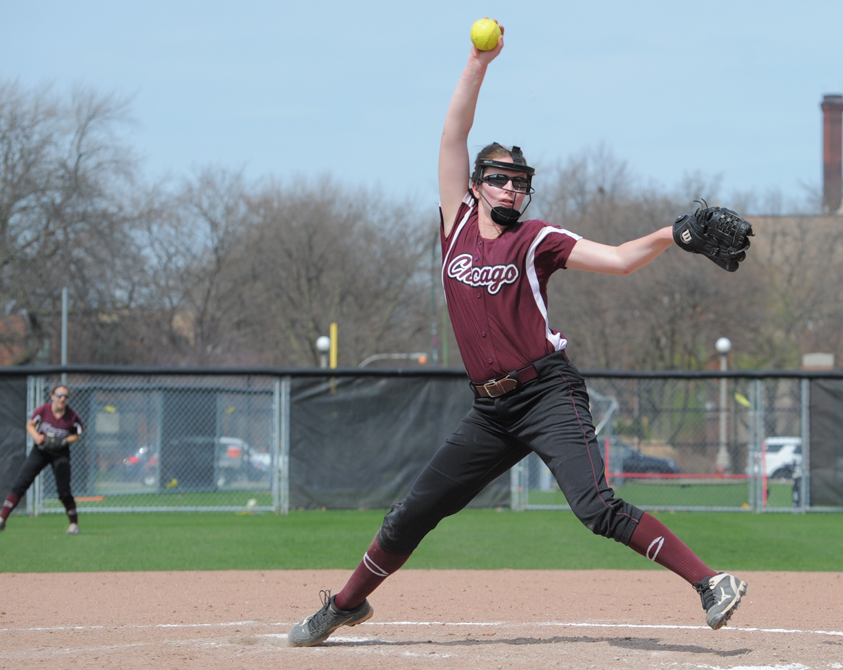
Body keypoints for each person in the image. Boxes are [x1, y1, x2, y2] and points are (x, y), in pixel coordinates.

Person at [287, 21, 746, 647]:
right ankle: (344, 605)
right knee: (412, 513)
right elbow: (453, 134)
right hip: (491, 409)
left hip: (547, 393)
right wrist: (479, 62)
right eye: (501, 178)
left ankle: (710, 583)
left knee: (596, 508)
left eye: (521, 182)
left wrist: (672, 234)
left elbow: (617, 259)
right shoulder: (455, 226)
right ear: (476, 184)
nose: (512, 188)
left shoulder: (537, 239)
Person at [0, 384, 84, 535]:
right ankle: (2, 519)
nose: (62, 399)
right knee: (20, 483)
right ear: (52, 396)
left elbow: (77, 434)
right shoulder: (44, 410)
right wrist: (36, 436)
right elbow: (30, 425)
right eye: (59, 395)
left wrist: (65, 441)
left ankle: (74, 525)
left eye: (65, 396)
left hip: (60, 454)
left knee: (64, 491)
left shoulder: (72, 415)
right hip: (40, 451)